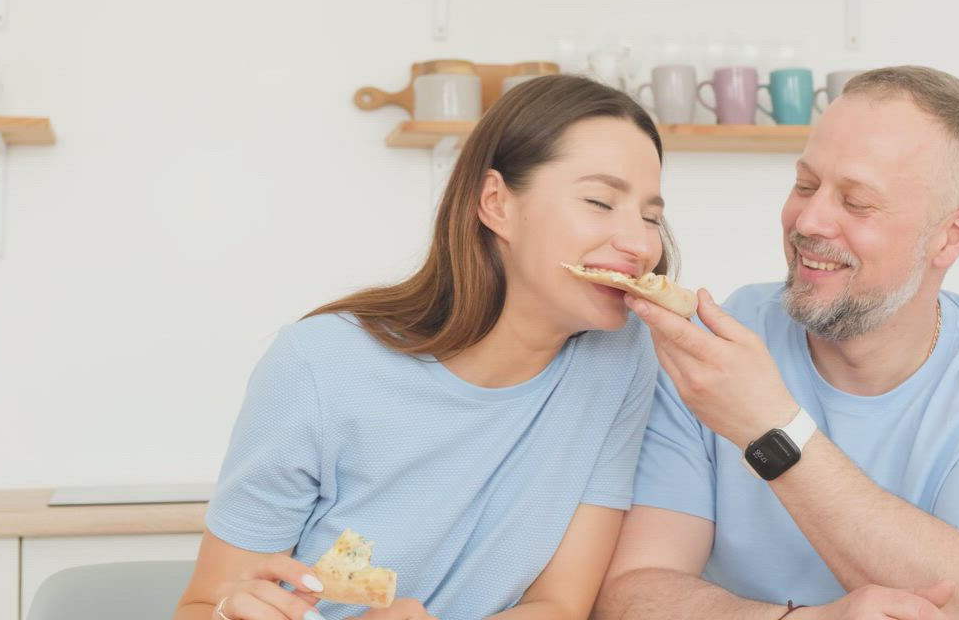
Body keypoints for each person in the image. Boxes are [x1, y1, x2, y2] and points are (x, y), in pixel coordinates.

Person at [595, 66, 959, 620]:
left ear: (950, 237)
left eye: (856, 203)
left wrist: (771, 427)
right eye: (805, 185)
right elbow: (632, 593)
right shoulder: (714, 344)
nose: (809, 220)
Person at [175, 74, 676, 620]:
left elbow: (558, 604)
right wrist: (229, 612)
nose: (641, 244)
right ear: (496, 203)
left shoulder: (619, 358)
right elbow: (202, 605)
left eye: (651, 216)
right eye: (600, 201)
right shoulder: (319, 364)